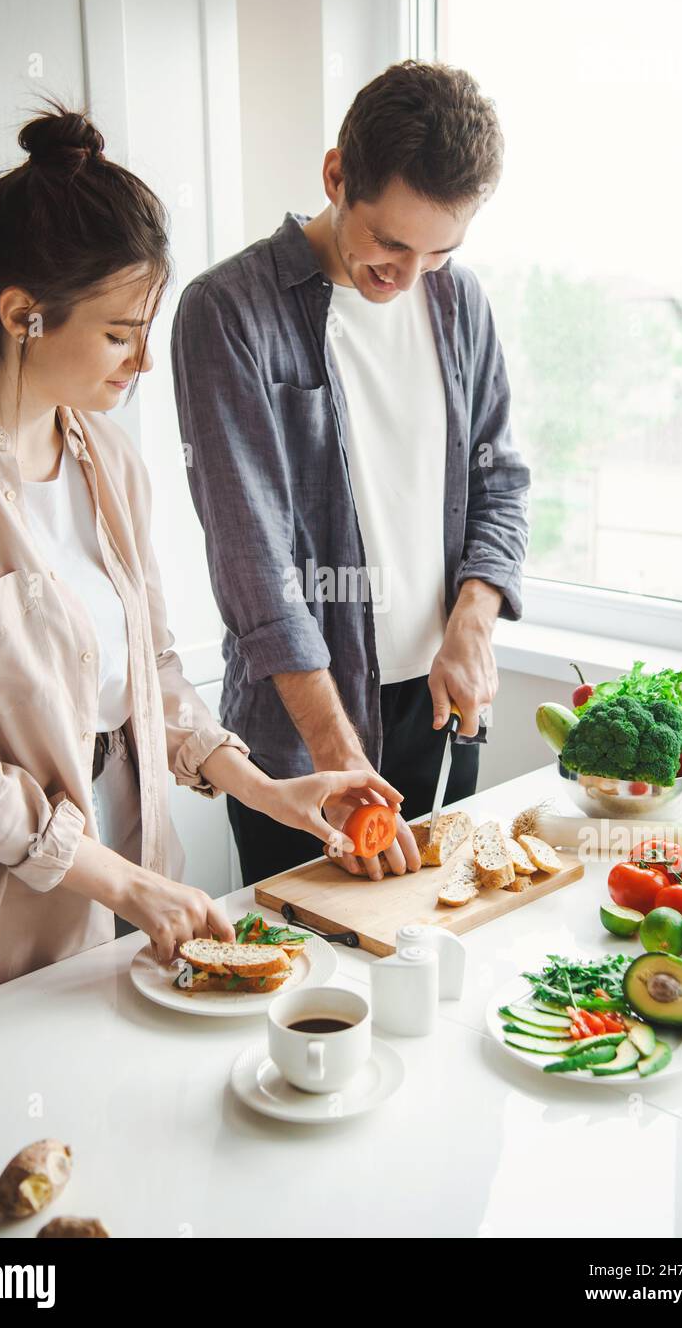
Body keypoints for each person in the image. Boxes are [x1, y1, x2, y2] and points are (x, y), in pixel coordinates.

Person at [0, 103, 400, 1023]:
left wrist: (263, 787)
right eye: (119, 333)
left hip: (127, 884)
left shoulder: (107, 456)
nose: (142, 361)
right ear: (23, 314)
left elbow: (154, 669)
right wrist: (120, 885)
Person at [172, 61, 530, 887]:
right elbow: (253, 562)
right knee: (310, 986)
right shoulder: (227, 311)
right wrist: (340, 761)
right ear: (337, 176)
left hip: (438, 712)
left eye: (440, 250)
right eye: (390, 241)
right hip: (306, 739)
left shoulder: (459, 300)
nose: (407, 276)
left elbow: (501, 478)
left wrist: (474, 620)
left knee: (433, 960)